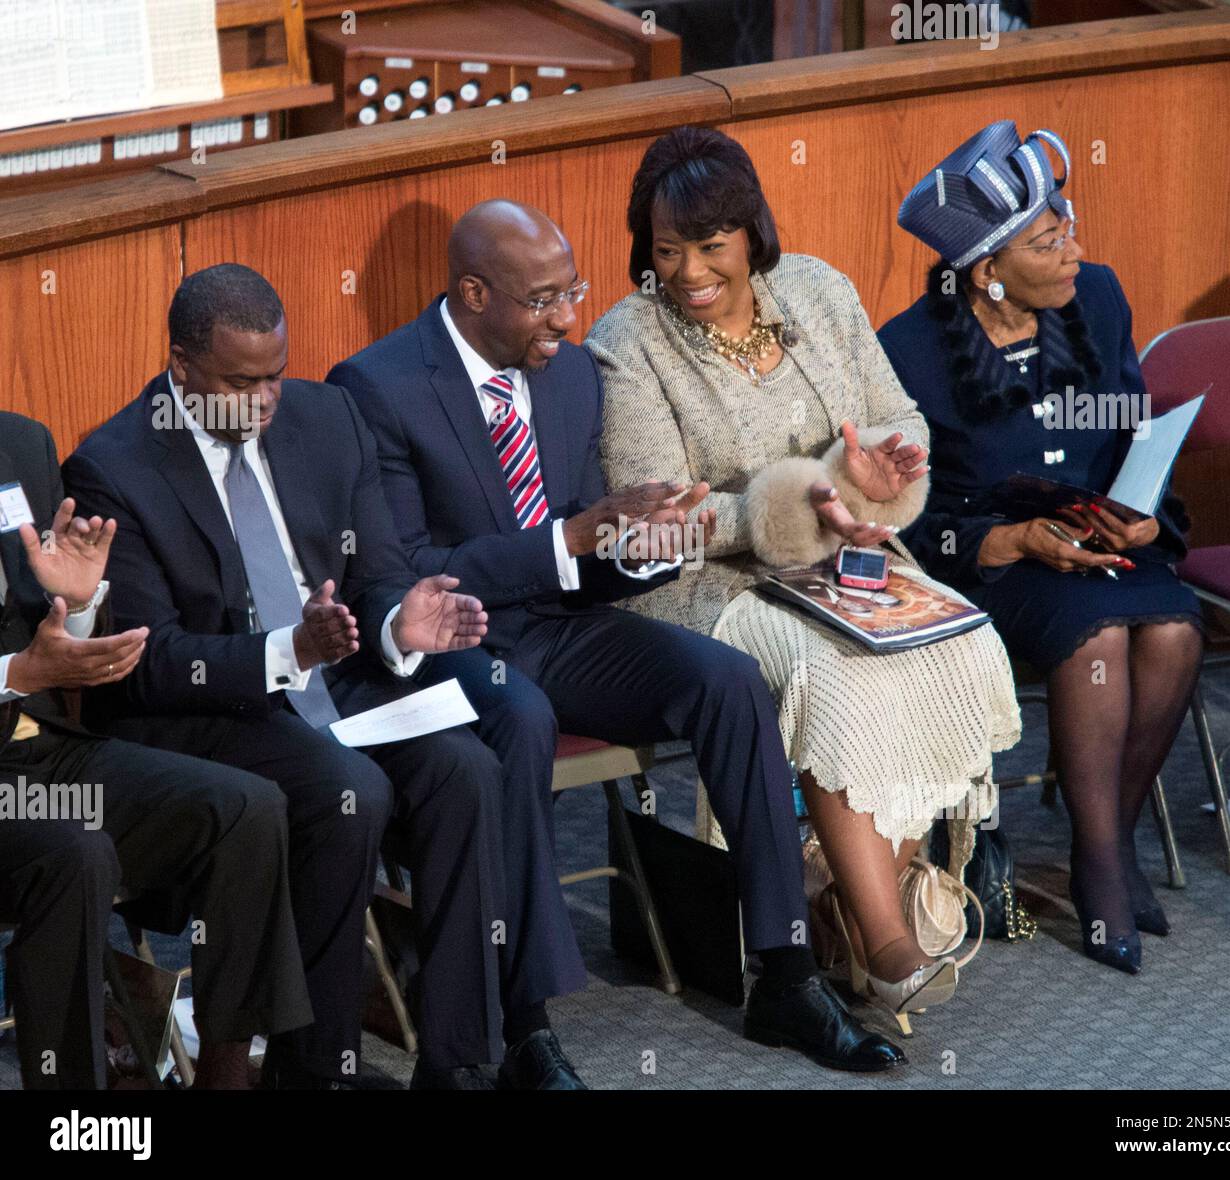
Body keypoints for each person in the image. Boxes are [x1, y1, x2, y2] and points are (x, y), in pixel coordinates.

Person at [327, 199, 907, 1078]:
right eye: (544, 299)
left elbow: (595, 543)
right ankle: (524, 1026)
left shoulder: (566, 374)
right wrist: (571, 541)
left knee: (730, 681)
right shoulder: (377, 387)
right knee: (516, 716)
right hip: (458, 641)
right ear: (475, 293)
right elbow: (412, 570)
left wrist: (644, 546)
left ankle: (785, 976)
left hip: (565, 628)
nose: (568, 317)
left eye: (574, 291)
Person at [587, 126, 1022, 1034]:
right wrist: (799, 504)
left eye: (711, 247)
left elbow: (899, 415)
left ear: (752, 233)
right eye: (667, 252)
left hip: (852, 557)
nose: (690, 273)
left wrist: (887, 470)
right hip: (711, 586)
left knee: (952, 641)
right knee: (838, 673)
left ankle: (853, 909)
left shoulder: (821, 291)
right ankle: (887, 940)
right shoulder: (627, 343)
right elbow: (665, 521)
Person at [62, 264, 510, 1090]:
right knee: (350, 795)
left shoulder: (327, 416)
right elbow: (148, 661)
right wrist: (285, 653)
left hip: (331, 685)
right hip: (205, 712)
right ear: (182, 366)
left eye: (275, 375)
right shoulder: (113, 465)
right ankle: (315, 1072)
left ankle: (457, 1063)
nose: (266, 401)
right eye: (242, 383)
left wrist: (394, 623)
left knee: (466, 770)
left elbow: (375, 571)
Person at [878, 121, 1203, 974]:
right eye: (1048, 239)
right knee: (1097, 635)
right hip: (995, 568)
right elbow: (913, 518)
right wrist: (1011, 536)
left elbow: (1132, 428)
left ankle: (1111, 840)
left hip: (1106, 542)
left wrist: (1144, 511)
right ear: (986, 270)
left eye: (1067, 227)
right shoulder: (907, 349)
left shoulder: (1096, 296)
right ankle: (1101, 873)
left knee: (1175, 630)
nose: (1074, 251)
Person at [0, 410, 312, 1089]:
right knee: (74, 852)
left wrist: (77, 606)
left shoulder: (21, 440)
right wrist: (16, 675)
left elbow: (49, 626)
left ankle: (225, 1077)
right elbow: (26, 666)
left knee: (247, 808)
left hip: (35, 747)